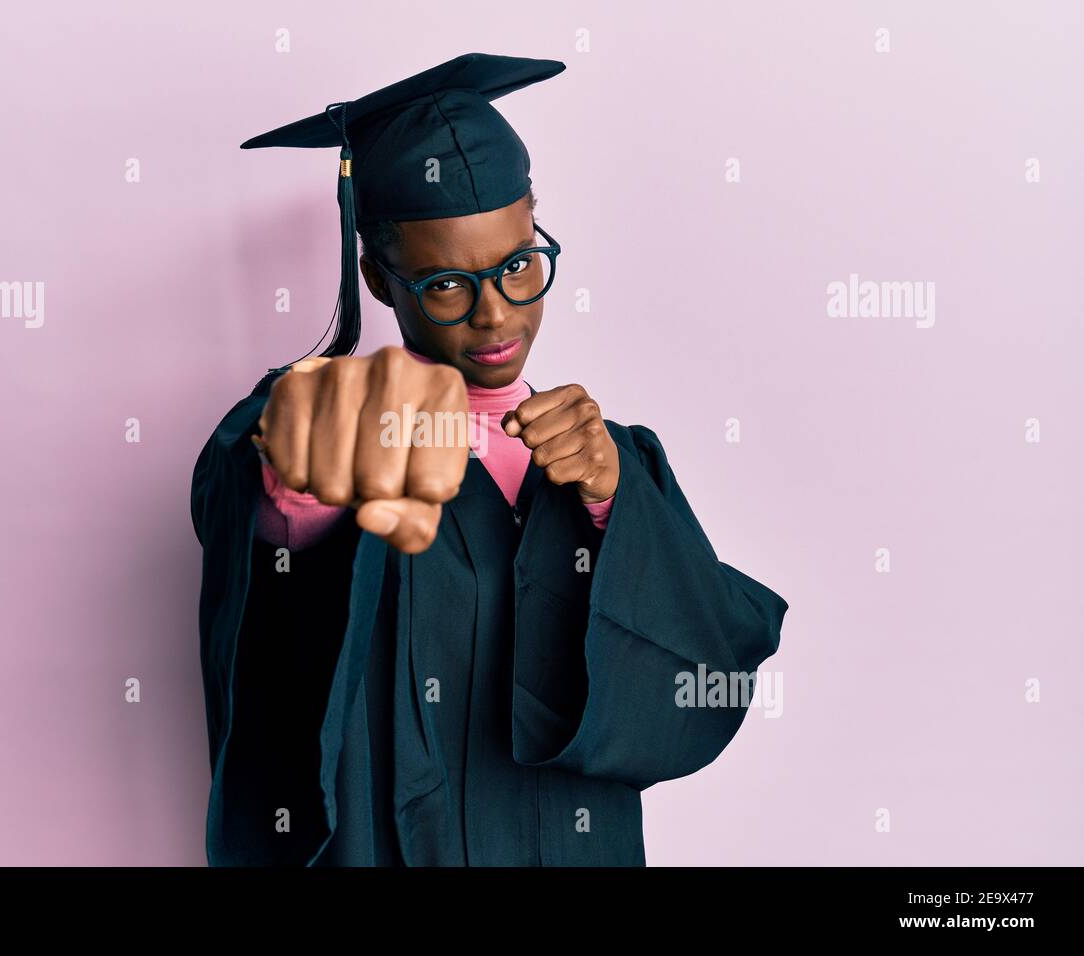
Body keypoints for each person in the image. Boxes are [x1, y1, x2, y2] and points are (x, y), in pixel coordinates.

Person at [190, 52, 789, 866]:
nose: (496, 314)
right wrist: (302, 486)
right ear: (377, 276)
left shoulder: (613, 459)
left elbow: (704, 670)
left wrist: (617, 505)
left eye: (518, 266)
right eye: (446, 284)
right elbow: (263, 541)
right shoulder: (328, 426)